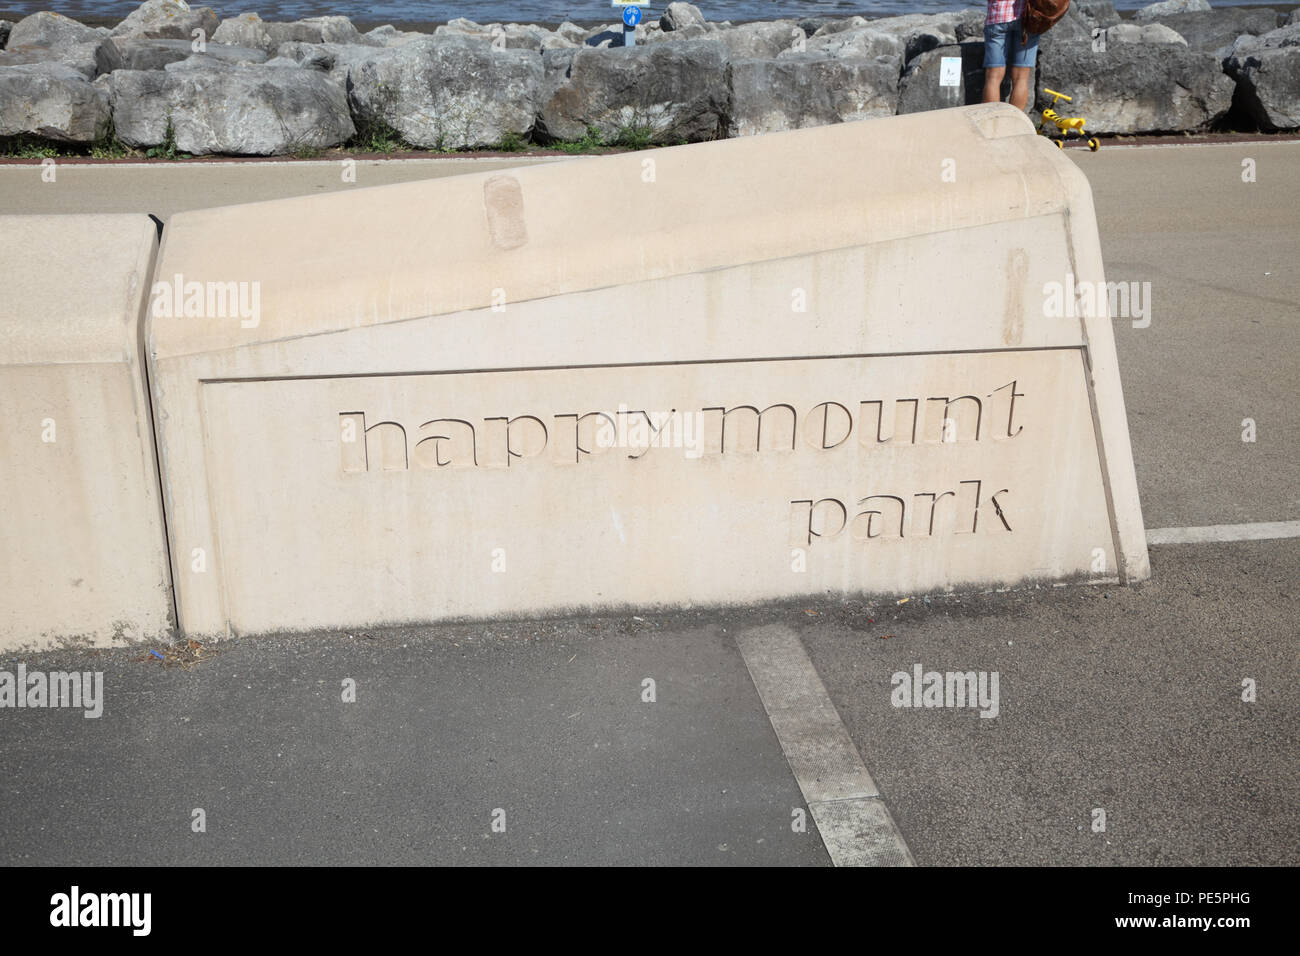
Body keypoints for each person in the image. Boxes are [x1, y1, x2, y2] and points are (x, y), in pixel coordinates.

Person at [982, 0, 1039, 111]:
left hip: (998, 15)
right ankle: (1014, 125)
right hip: (1029, 16)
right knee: (1021, 78)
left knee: (993, 77)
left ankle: (991, 123)